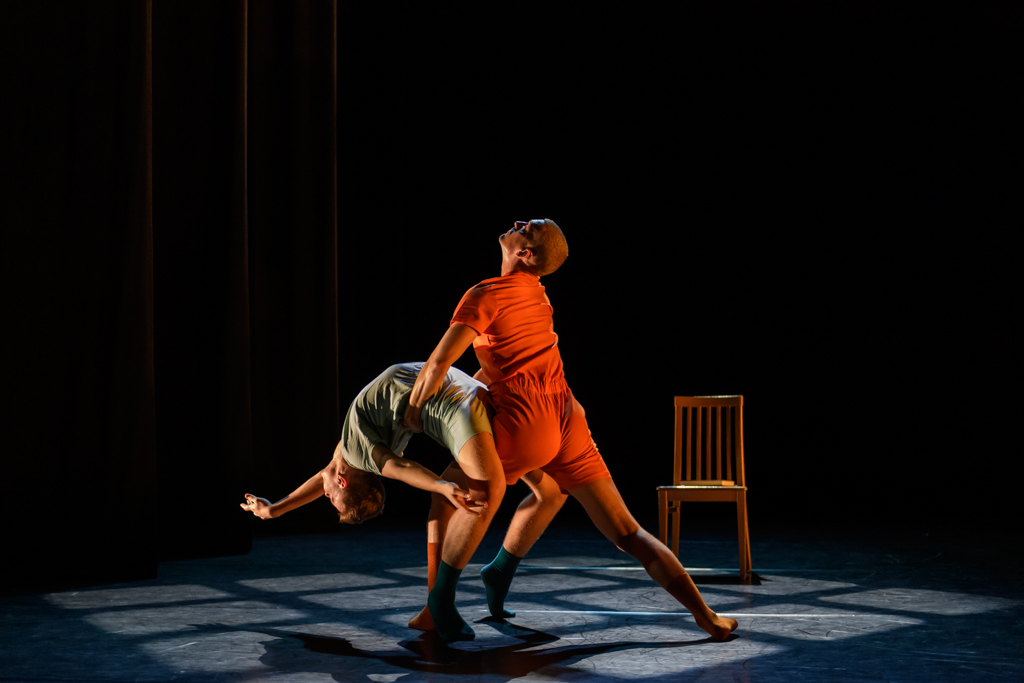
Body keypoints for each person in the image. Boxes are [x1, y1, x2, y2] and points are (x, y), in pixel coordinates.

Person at [404, 219, 738, 641]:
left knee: (449, 495)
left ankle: (438, 605)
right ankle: (706, 616)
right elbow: (508, 360)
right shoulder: (539, 294)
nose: (519, 223)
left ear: (525, 253)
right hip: (566, 417)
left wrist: (414, 411)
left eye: (529, 226)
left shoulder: (484, 294)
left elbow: (437, 364)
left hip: (526, 421)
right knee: (610, 522)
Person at [240, 362, 505, 641]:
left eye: (330, 499)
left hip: (442, 394)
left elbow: (399, 468)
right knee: (445, 503)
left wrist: (441, 486)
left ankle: (439, 603)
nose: (325, 495)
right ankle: (434, 606)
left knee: (477, 491)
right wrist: (273, 510)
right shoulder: (351, 452)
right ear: (343, 482)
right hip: (439, 383)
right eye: (331, 499)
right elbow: (324, 479)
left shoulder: (357, 453)